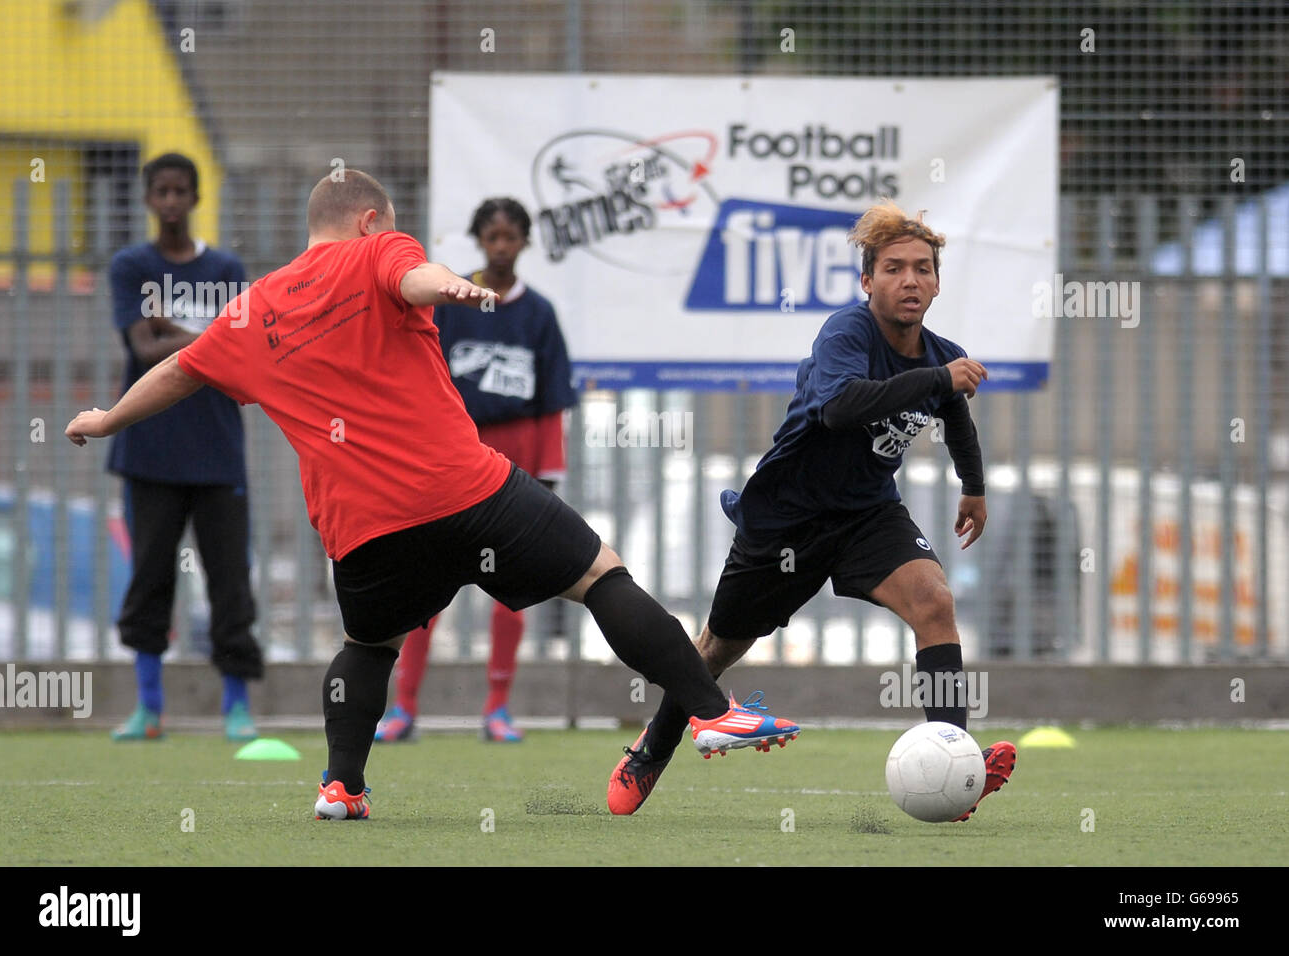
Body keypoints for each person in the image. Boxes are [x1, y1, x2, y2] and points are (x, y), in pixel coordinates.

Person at [66, 169, 800, 821]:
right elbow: (416, 276)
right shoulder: (381, 250)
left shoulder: (252, 308)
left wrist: (107, 418)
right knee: (597, 573)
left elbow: (181, 370)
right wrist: (444, 284)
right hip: (463, 491)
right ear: (370, 220)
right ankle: (710, 713)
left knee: (368, 643)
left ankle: (341, 788)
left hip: (362, 530)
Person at [607, 201, 1016, 818]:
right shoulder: (845, 332)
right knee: (717, 648)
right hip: (787, 519)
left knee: (935, 602)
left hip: (868, 516)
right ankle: (652, 748)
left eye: (923, 269)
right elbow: (840, 408)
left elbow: (955, 414)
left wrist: (974, 486)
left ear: (937, 281)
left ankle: (955, 762)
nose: (911, 280)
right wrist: (939, 381)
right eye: (895, 268)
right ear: (867, 281)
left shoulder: (940, 354)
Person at [375, 198, 575, 744]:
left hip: (513, 465)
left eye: (511, 237)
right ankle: (404, 707)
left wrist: (546, 478)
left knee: (510, 594)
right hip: (452, 455)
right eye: (492, 237)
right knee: (423, 593)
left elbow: (550, 404)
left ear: (525, 243)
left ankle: (497, 710)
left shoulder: (540, 315)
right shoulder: (453, 304)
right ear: (479, 241)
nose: (501, 246)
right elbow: (419, 378)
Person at [105, 152, 261, 742]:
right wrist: (206, 339)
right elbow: (145, 350)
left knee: (230, 581)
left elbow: (239, 353)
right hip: (149, 451)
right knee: (150, 577)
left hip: (218, 453)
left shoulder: (226, 268)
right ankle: (149, 709)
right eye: (161, 191)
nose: (170, 201)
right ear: (148, 198)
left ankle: (237, 708)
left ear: (196, 198)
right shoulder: (130, 266)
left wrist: (177, 330)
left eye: (181, 191)